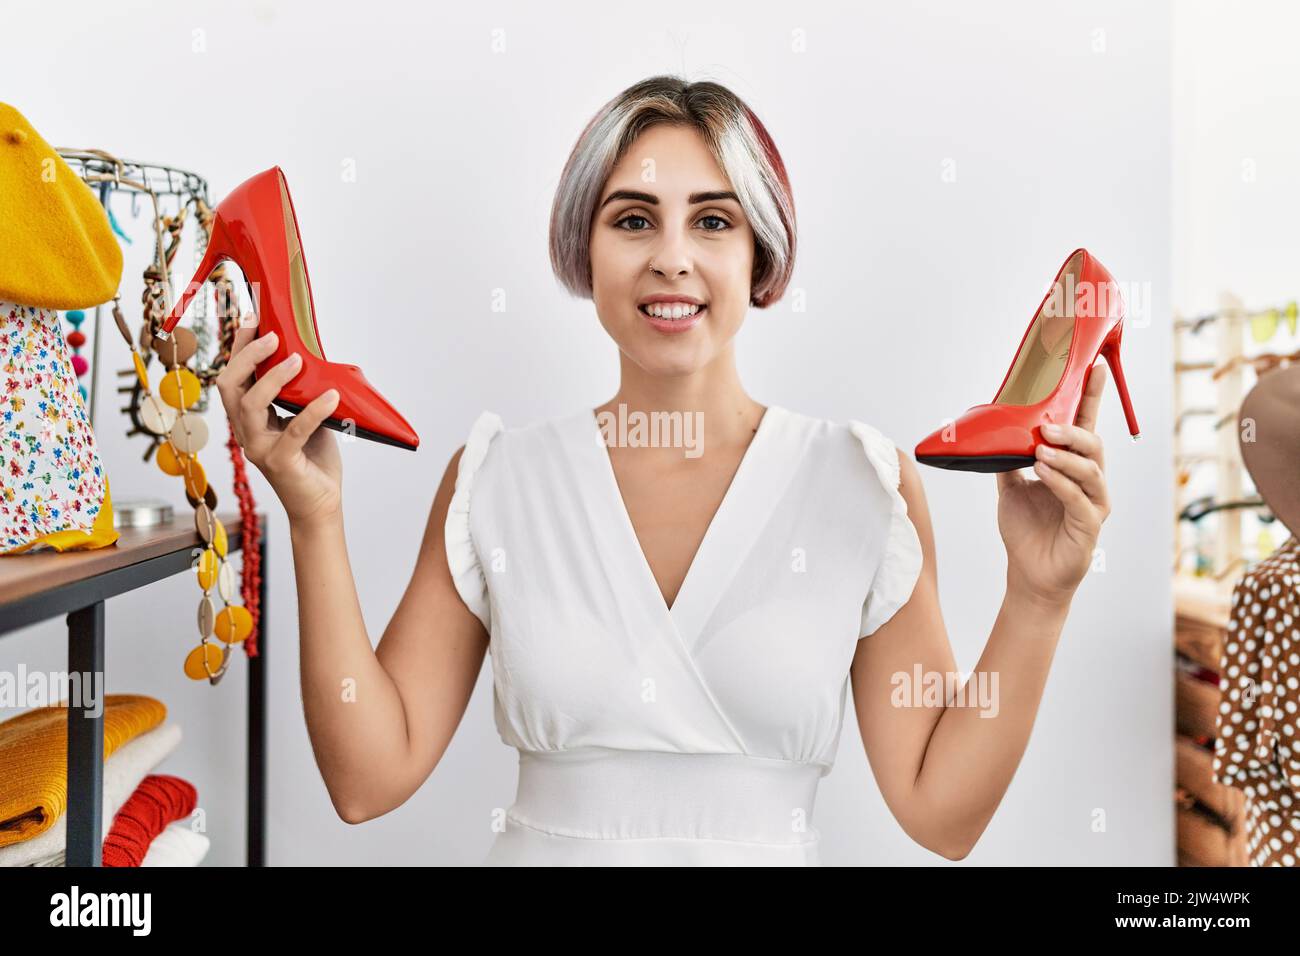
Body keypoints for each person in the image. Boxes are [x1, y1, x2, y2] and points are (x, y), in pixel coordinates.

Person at [216, 75, 1115, 865]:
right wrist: (315, 518)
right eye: (634, 220)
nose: (672, 257)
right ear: (586, 251)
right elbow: (367, 781)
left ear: (761, 253)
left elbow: (942, 816)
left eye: (713, 221)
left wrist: (1038, 599)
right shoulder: (498, 479)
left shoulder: (860, 483)